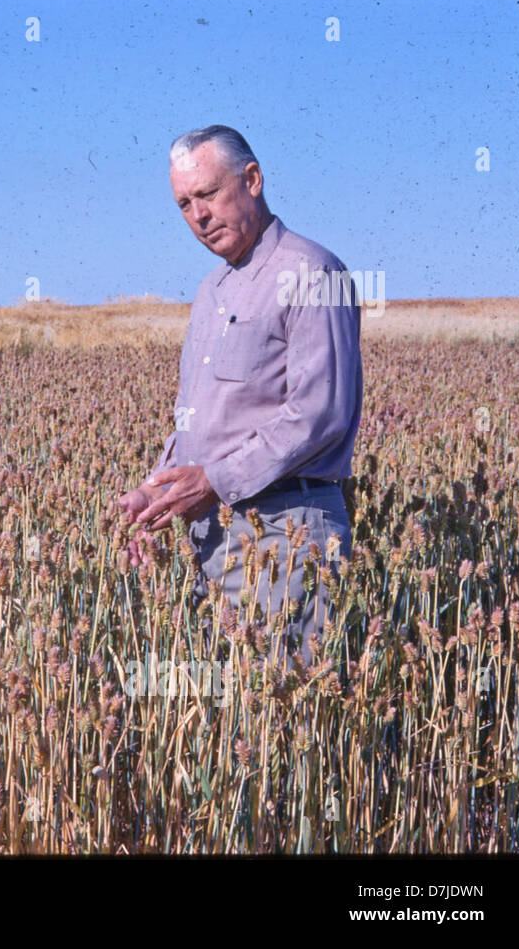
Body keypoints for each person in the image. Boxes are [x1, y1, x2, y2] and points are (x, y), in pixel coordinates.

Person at [116, 124, 362, 667]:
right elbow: (196, 421)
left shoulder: (313, 271)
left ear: (252, 179)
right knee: (235, 729)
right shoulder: (211, 292)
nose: (198, 215)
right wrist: (155, 493)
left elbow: (320, 413)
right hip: (214, 537)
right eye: (184, 204)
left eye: (207, 194)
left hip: (289, 535)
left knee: (289, 715)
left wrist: (213, 481)